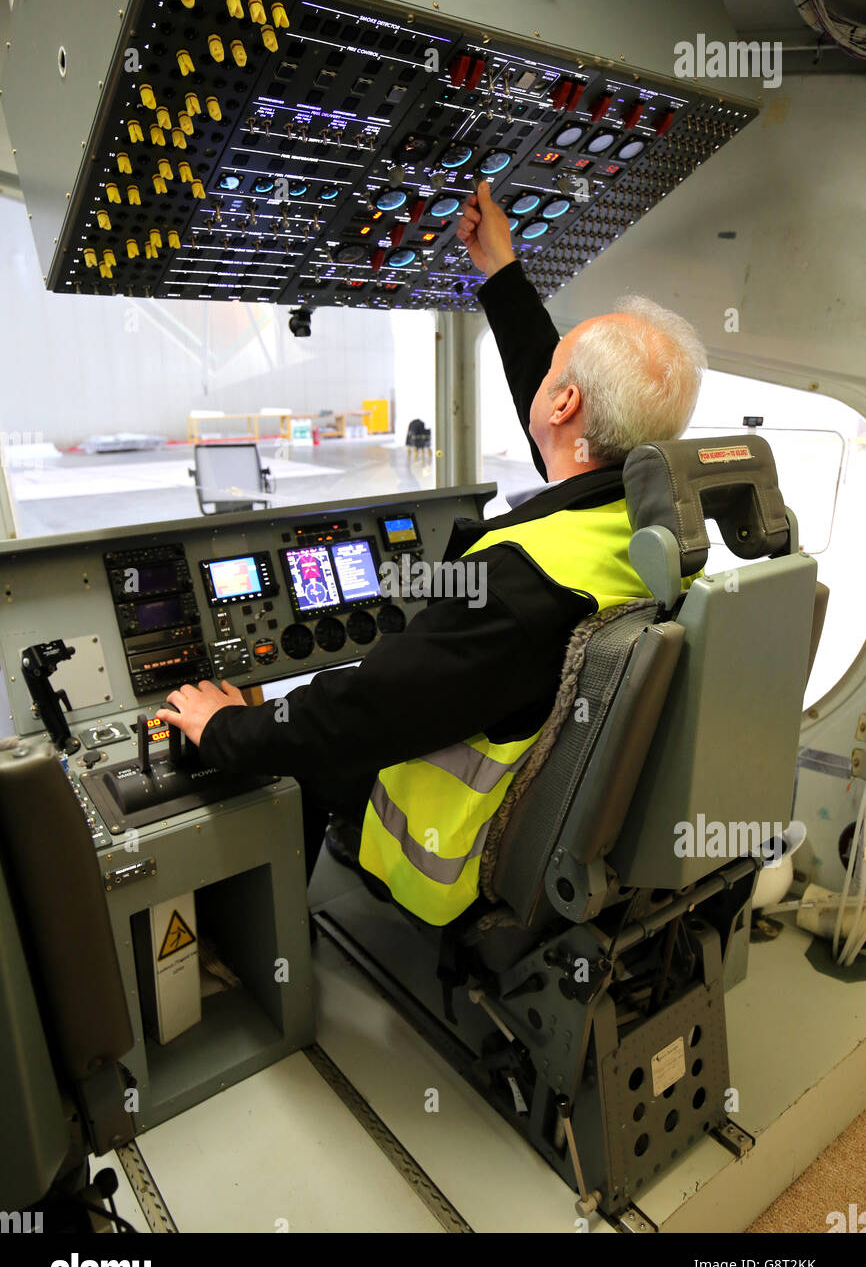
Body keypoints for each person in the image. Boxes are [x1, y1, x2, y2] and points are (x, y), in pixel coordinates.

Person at [158, 180, 707, 926]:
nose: (541, 383)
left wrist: (227, 731)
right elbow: (564, 416)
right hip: (583, 817)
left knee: (309, 757)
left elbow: (365, 709)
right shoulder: (653, 528)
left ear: (565, 407)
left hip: (457, 849)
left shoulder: (516, 581)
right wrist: (501, 276)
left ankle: (274, 962)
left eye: (554, 377)